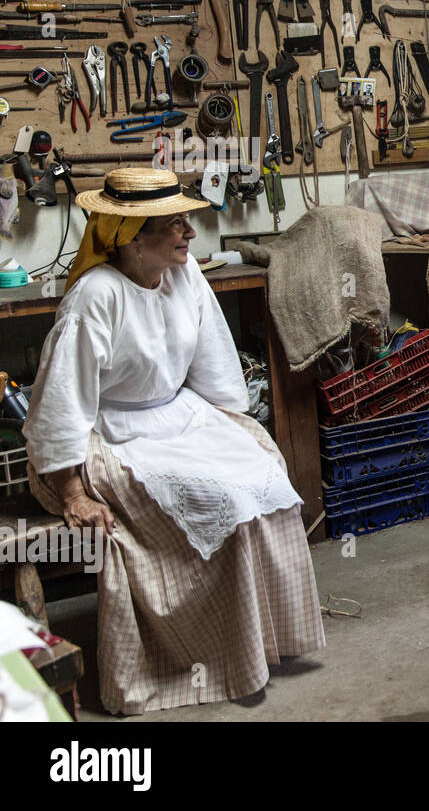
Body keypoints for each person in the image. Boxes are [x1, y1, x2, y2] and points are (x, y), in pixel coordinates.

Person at [22, 168, 325, 715]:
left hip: (174, 416)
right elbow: (62, 404)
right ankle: (202, 657)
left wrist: (233, 426)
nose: (189, 233)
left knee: (263, 468)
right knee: (220, 498)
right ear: (134, 236)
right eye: (175, 224)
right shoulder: (95, 297)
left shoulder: (186, 277)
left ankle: (260, 642)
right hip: (111, 430)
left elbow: (214, 367)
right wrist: (71, 492)